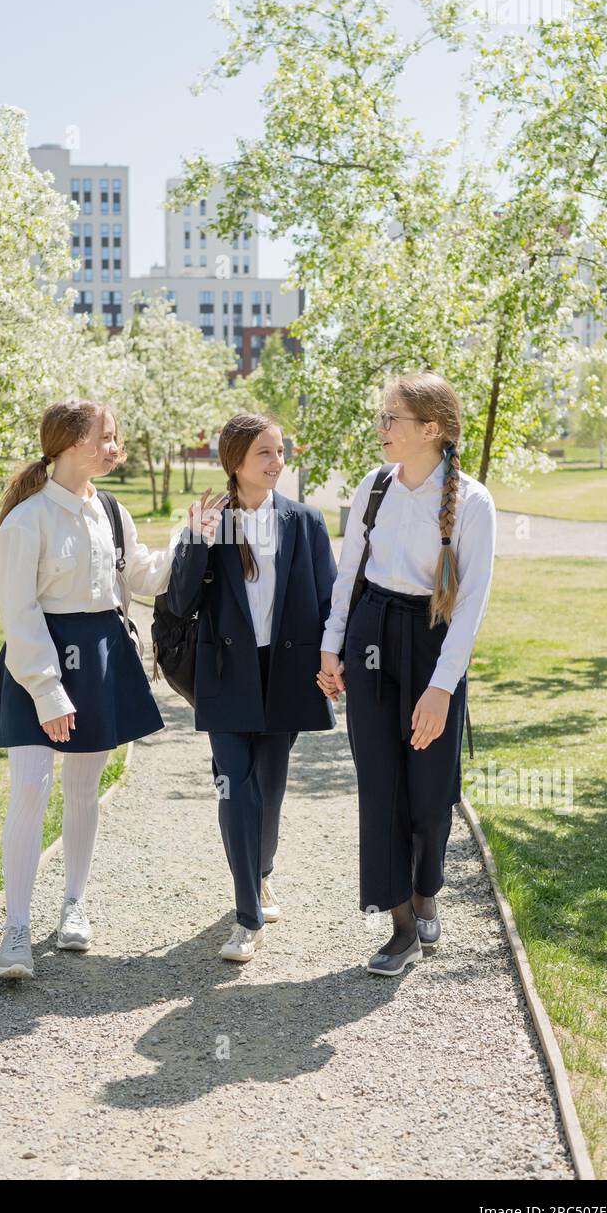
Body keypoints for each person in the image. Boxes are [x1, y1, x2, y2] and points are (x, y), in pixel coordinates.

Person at [0, 398, 185, 980]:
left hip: (98, 658)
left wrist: (191, 535)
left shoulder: (112, 511)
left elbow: (141, 577)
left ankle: (74, 904)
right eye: (108, 438)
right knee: (31, 787)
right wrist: (47, 691)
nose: (116, 448)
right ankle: (15, 931)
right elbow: (19, 614)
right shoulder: (28, 520)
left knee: (84, 790)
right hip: (36, 661)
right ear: (72, 445)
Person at [318, 372, 497, 976]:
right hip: (371, 633)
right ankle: (400, 924)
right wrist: (330, 647)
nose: (382, 426)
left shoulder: (472, 502)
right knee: (381, 784)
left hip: (432, 642)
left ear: (432, 428)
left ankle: (427, 893)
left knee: (428, 788)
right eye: (383, 415)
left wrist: (442, 689)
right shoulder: (373, 488)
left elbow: (469, 605)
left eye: (392, 417)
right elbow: (349, 577)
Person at [166, 412, 338, 962]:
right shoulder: (208, 520)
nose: (277, 461)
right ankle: (247, 916)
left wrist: (335, 663)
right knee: (234, 786)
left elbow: (330, 598)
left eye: (281, 451)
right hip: (226, 677)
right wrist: (196, 539)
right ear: (235, 461)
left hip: (286, 675)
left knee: (270, 785)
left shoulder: (305, 521)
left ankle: (261, 872)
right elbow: (179, 601)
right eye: (265, 452)